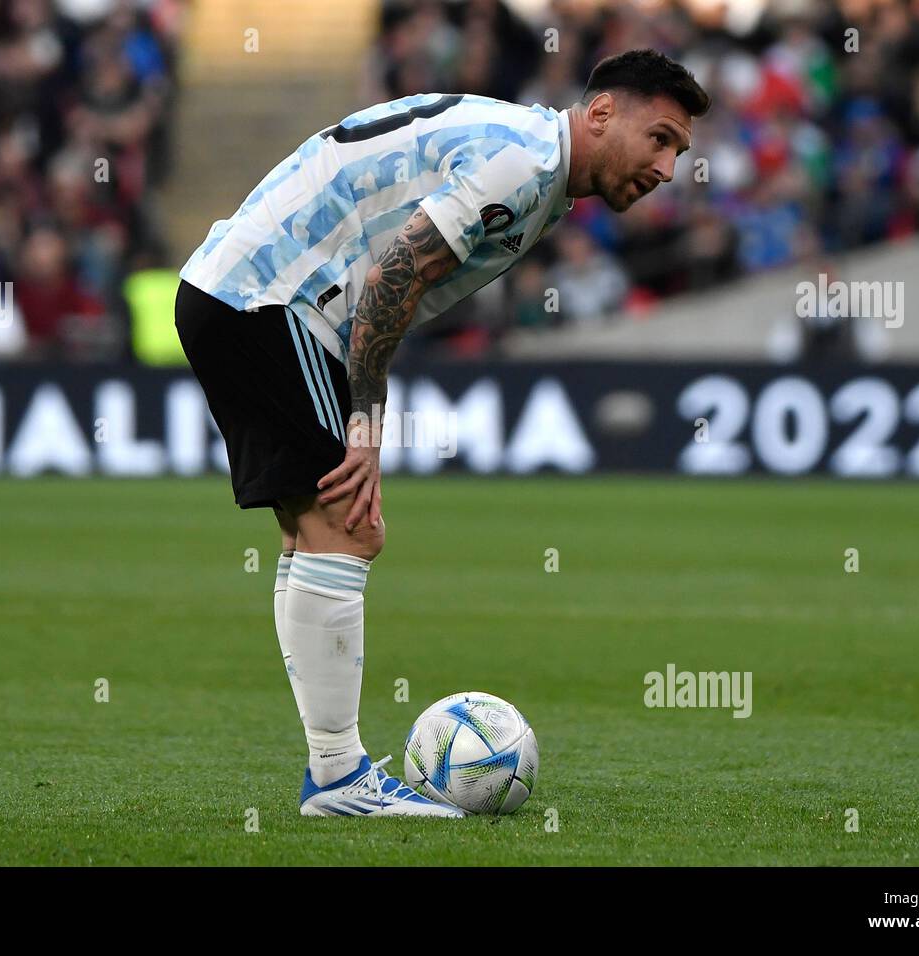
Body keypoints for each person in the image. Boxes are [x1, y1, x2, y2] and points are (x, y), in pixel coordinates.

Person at [174, 49, 708, 817]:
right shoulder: (524, 163)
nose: (666, 167)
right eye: (659, 138)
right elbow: (393, 273)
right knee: (347, 525)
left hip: (243, 288)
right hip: (274, 297)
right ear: (599, 113)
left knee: (314, 529)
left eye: (680, 153)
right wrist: (366, 425)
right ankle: (339, 779)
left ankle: (334, 772)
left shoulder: (528, 155)